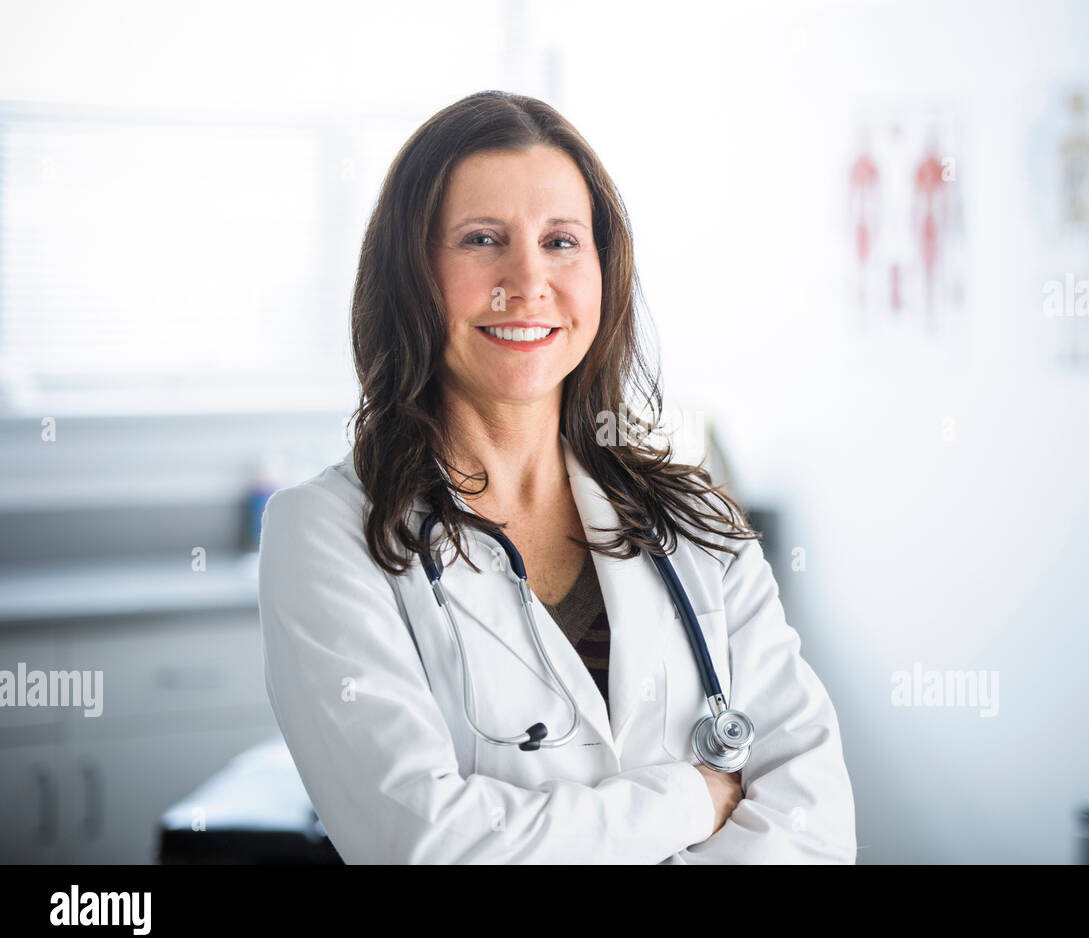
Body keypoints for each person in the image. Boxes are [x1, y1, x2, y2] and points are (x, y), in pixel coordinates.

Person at [258, 90, 857, 863]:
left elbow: (814, 818)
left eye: (562, 241)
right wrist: (690, 797)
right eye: (482, 239)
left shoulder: (692, 516)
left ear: (602, 272)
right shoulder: (326, 536)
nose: (526, 280)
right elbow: (425, 844)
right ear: (410, 274)